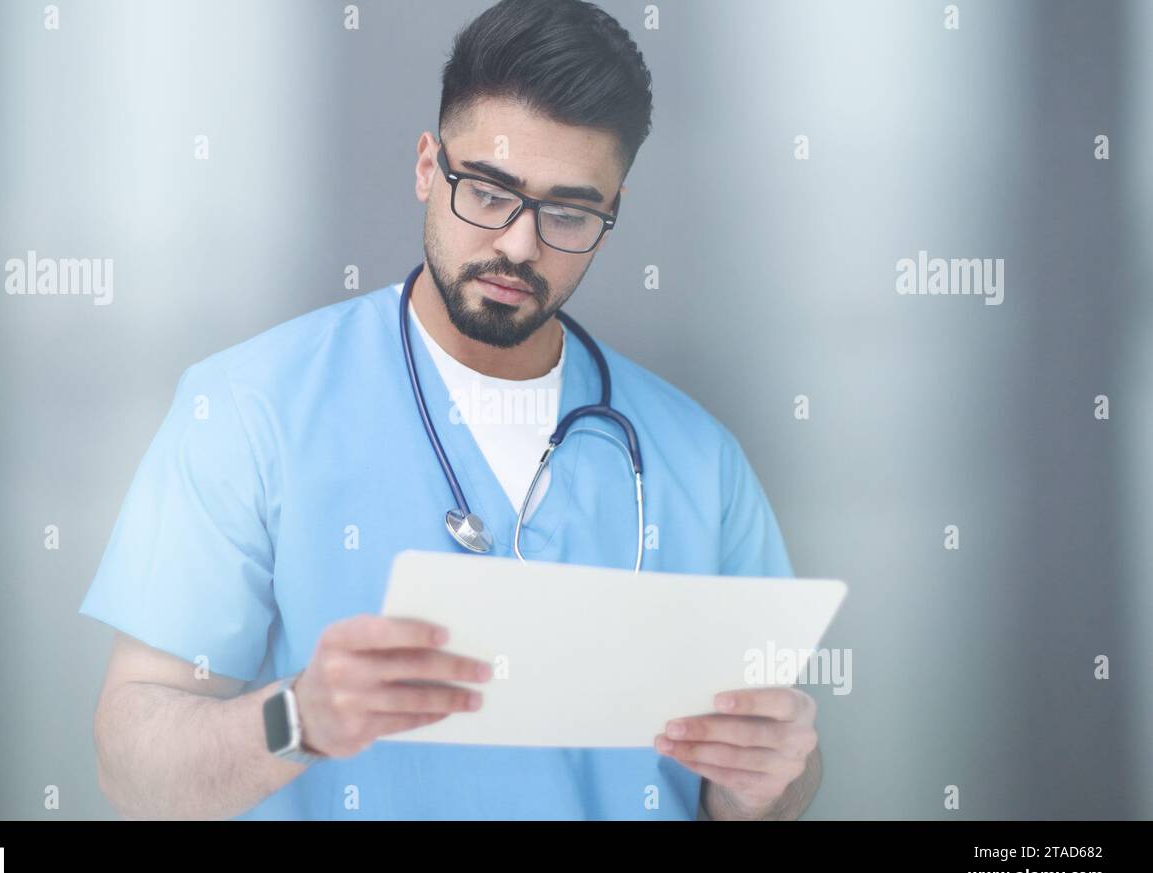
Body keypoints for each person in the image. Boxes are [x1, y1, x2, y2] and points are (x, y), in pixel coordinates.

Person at [81, 0, 821, 821]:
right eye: (489, 190)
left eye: (568, 212)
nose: (518, 244)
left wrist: (769, 782)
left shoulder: (698, 460)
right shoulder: (248, 411)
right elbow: (130, 768)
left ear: (610, 222)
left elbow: (768, 782)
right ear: (428, 166)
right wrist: (301, 719)